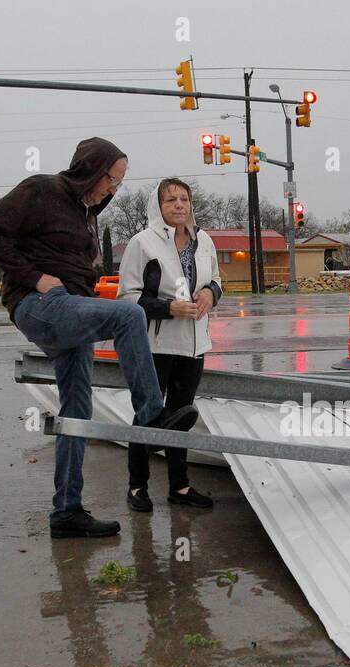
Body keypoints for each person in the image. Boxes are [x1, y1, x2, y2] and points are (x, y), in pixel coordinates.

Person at [0, 138, 197, 539]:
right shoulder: (42, 189)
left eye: (119, 182)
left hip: (71, 310)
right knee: (129, 314)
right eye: (112, 178)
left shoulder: (84, 213)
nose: (114, 188)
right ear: (90, 169)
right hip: (40, 304)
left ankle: (66, 512)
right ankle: (151, 415)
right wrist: (35, 278)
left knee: (76, 415)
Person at [119, 178, 221, 512]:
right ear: (158, 207)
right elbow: (129, 298)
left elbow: (217, 281)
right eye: (170, 200)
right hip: (156, 344)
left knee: (181, 416)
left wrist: (209, 293)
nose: (178, 205)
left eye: (184, 199)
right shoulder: (142, 243)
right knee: (148, 414)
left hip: (194, 345)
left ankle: (179, 486)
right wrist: (168, 308)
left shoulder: (204, 240)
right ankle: (137, 487)